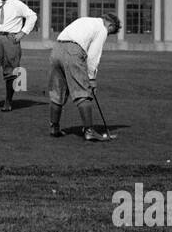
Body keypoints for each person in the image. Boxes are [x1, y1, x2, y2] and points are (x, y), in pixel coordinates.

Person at [47, 12, 121, 140]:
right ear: (110, 25)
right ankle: (89, 131)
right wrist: (91, 79)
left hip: (56, 49)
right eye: (110, 32)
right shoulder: (102, 29)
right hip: (73, 51)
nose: (107, 35)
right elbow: (93, 56)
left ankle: (54, 128)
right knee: (83, 93)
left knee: (57, 92)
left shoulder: (85, 20)